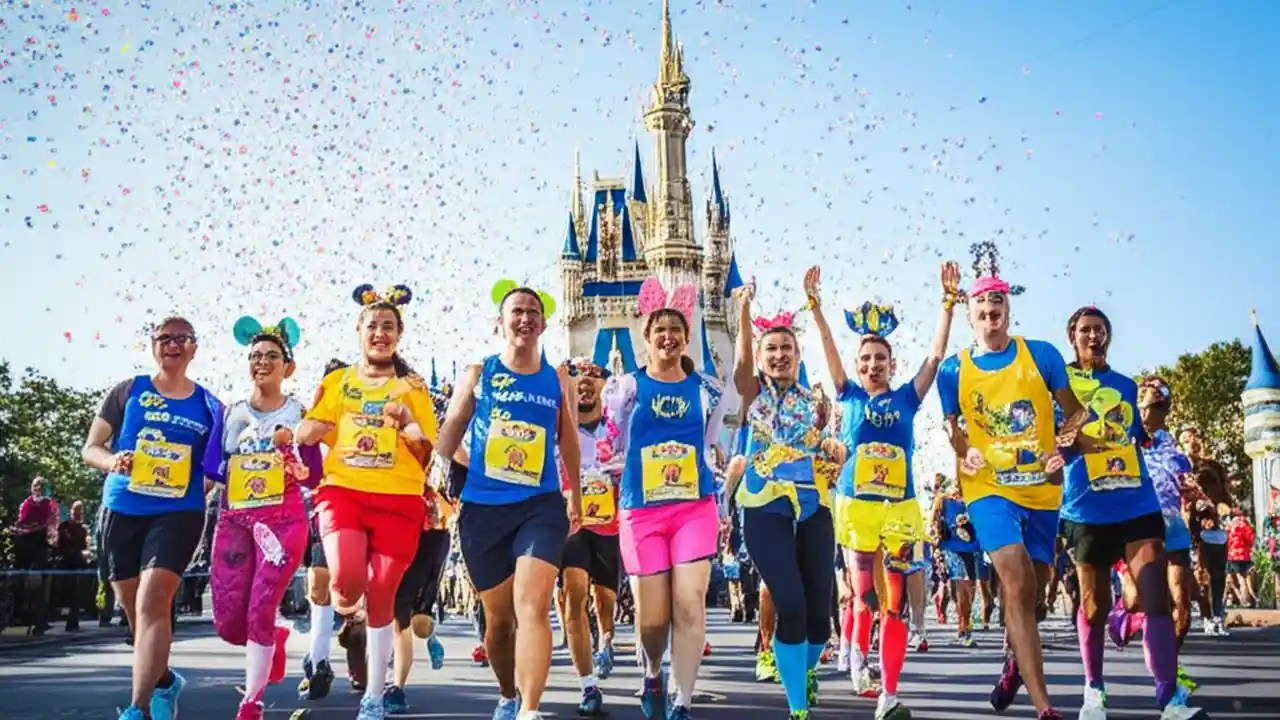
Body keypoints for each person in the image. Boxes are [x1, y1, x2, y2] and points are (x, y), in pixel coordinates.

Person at [936, 246, 1089, 720]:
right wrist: (965, 450)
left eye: (997, 306)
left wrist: (1062, 445)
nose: (991, 315)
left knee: (1035, 595)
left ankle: (1013, 663)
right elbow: (952, 429)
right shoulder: (953, 370)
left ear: (1008, 309)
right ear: (970, 315)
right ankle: (1044, 705)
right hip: (988, 488)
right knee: (1015, 578)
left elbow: (1076, 412)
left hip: (1041, 490)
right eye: (981, 308)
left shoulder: (1040, 354)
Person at [812, 261, 959, 720]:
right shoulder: (848, 396)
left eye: (881, 359)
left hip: (899, 510)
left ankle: (889, 692)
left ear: (892, 364)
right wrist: (816, 310)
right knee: (864, 597)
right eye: (865, 360)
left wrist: (947, 305)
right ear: (857, 368)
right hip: (857, 510)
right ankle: (857, 658)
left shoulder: (907, 399)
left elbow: (935, 358)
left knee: (893, 602)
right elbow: (831, 348)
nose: (873, 365)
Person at [433, 282, 580, 720]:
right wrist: (440, 464)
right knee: (499, 621)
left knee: (532, 604)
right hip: (483, 508)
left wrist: (574, 488)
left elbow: (567, 434)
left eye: (533, 311)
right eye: (516, 311)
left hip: (541, 504)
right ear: (500, 322)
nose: (525, 318)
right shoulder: (479, 372)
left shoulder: (558, 379)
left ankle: (530, 711)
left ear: (544, 324)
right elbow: (457, 416)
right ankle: (507, 693)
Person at [297, 285, 440, 720]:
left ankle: (374, 696)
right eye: (373, 325)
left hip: (399, 499)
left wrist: (408, 425)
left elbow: (425, 451)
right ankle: (345, 605)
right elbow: (310, 428)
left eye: (389, 327)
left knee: (382, 598)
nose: (380, 333)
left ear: (400, 334)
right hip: (345, 493)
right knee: (347, 580)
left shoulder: (411, 387)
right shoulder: (337, 383)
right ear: (359, 330)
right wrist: (308, 432)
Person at [1056, 306, 1204, 719]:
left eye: (1100, 331)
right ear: (1073, 336)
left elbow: (1139, 438)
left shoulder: (1124, 385)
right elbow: (1058, 443)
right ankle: (1094, 691)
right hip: (1086, 506)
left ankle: (1169, 697)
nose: (1093, 337)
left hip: (1136, 501)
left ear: (1109, 337)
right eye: (1085, 330)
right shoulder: (1059, 385)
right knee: (1093, 605)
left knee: (1156, 596)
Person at [82, 315, 225, 720]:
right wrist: (113, 462)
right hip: (122, 509)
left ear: (194, 347)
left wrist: (193, 481)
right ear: (153, 345)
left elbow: (215, 472)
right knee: (133, 611)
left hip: (178, 512)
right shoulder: (128, 391)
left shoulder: (210, 406)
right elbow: (91, 447)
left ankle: (137, 708)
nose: (172, 344)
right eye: (164, 338)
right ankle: (163, 680)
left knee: (152, 601)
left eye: (182, 338)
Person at [603, 277, 729, 720]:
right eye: (660, 329)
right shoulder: (625, 389)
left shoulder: (705, 390)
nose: (669, 337)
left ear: (687, 335)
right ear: (647, 336)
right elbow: (610, 443)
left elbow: (712, 447)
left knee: (690, 605)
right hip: (642, 511)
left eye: (676, 329)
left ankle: (682, 700)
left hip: (694, 506)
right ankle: (653, 672)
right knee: (653, 620)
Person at [731, 275, 847, 720]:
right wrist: (744, 309)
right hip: (764, 506)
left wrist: (834, 447)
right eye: (771, 350)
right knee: (791, 603)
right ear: (762, 357)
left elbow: (823, 444)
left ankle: (803, 670)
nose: (779, 356)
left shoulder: (813, 402)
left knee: (820, 616)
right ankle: (798, 708)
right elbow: (741, 366)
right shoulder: (753, 394)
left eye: (787, 349)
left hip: (812, 506)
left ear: (798, 356)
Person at [206, 317, 321, 720]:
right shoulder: (231, 413)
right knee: (228, 622)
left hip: (283, 522)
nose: (262, 362)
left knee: (259, 607)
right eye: (255, 356)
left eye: (272, 356)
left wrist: (292, 460)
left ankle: (250, 702)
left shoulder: (300, 413)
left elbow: (314, 473)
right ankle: (275, 637)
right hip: (234, 522)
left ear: (288, 366)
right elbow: (214, 470)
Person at [560, 356, 624, 715]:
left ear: (604, 386)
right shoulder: (560, 426)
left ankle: (607, 638)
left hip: (609, 523)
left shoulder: (615, 428)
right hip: (572, 522)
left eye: (593, 377)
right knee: (574, 595)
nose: (585, 383)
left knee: (605, 598)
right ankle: (587, 685)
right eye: (578, 378)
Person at [1133, 375, 1202, 689]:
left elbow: (1189, 487)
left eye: (1160, 407)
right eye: (1148, 406)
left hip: (1174, 531)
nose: (1153, 414)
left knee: (1181, 604)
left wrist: (1202, 501)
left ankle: (1168, 672)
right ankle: (1127, 616)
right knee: (1138, 603)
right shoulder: (1127, 443)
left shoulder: (1173, 449)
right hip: (1139, 530)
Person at [297, 358, 350, 701]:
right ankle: (319, 662)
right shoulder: (308, 420)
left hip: (359, 511)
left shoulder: (361, 418)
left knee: (352, 594)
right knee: (318, 584)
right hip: (318, 510)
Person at [931, 477, 980, 647]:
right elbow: (933, 522)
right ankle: (965, 628)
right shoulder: (944, 499)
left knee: (971, 589)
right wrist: (938, 540)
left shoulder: (977, 495)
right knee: (962, 587)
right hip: (952, 548)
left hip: (973, 548)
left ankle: (964, 621)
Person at [14, 477, 58, 634]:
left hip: (40, 549)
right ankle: (20, 618)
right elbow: (21, 522)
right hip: (25, 548)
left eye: (40, 486)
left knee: (40, 587)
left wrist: (52, 545)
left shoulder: (49, 504)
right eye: (35, 486)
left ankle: (40, 621)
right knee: (22, 584)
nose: (37, 489)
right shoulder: (26, 504)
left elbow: (52, 525)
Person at [56, 500, 92, 632]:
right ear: (71, 511)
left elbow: (85, 546)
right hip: (66, 563)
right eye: (75, 511)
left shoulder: (83, 529)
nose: (77, 515)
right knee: (66, 593)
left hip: (78, 563)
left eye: (80, 512)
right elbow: (60, 544)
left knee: (77, 593)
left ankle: (73, 621)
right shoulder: (64, 527)